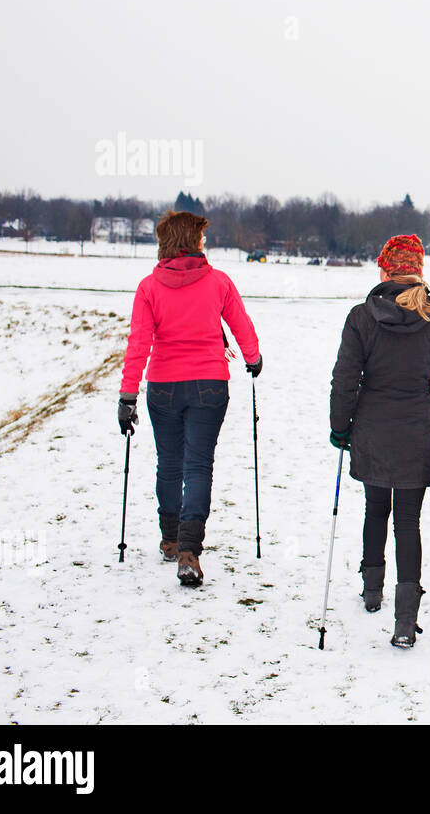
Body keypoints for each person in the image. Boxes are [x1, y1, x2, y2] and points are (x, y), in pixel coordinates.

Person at [329, 234, 430, 648]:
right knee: (408, 520)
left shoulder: (361, 316)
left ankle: (372, 591)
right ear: (418, 271)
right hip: (415, 430)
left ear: (386, 269)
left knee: (375, 509)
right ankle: (405, 619)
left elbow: (345, 379)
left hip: (372, 427)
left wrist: (340, 427)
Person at [117, 210, 262, 587]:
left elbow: (138, 344)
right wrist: (253, 358)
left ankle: (169, 538)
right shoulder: (218, 283)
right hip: (209, 385)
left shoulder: (149, 287)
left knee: (169, 463)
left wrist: (128, 394)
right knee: (198, 465)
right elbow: (241, 324)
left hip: (163, 385)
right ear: (194, 241)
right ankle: (189, 550)